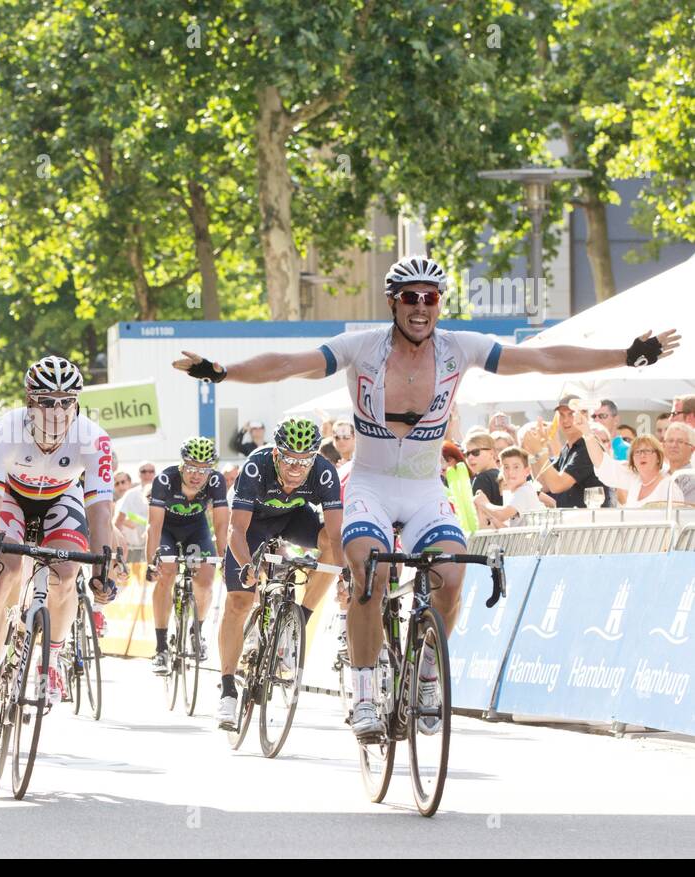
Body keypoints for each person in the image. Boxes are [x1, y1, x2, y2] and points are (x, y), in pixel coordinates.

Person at [174, 253, 680, 740]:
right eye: (411, 297)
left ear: (440, 303)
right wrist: (223, 372)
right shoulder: (361, 347)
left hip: (422, 490)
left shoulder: (460, 348)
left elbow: (542, 358)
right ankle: (367, 690)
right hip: (370, 486)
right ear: (393, 302)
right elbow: (288, 362)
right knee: (366, 571)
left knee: (452, 574)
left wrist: (625, 355)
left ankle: (429, 675)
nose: (421, 306)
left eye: (431, 297)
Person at [0, 355, 118, 727]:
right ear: (30, 401)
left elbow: (101, 511)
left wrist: (102, 570)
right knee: (6, 570)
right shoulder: (4, 431)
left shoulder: (94, 438)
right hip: (12, 498)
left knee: (67, 573)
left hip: (61, 498)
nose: (58, 410)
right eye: (47, 401)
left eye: (67, 401)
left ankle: (51, 659)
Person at [211, 417, 343, 728]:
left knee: (332, 547)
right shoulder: (256, 466)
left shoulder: (324, 471)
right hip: (253, 524)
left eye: (304, 461)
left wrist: (346, 573)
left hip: (294, 518)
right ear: (275, 455)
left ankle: (300, 619)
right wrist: (247, 568)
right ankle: (228, 690)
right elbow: (236, 529)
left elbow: (337, 536)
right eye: (288, 460)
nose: (296, 468)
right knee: (240, 601)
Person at [145, 437, 229, 673]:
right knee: (166, 575)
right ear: (182, 465)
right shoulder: (165, 479)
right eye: (192, 468)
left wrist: (224, 559)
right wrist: (152, 560)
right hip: (167, 531)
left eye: (204, 469)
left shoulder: (216, 481)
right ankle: (161, 648)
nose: (197, 475)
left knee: (204, 581)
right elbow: (154, 526)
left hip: (196, 530)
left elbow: (221, 524)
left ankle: (196, 632)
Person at [526, 397, 613, 508]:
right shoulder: (568, 448)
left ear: (584, 416)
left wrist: (539, 451)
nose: (565, 420)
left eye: (571, 414)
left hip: (588, 522)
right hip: (575, 521)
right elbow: (543, 485)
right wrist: (535, 453)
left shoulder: (587, 447)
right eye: (561, 415)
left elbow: (557, 485)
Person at [582, 427, 677, 508]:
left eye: (647, 451)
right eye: (637, 452)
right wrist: (586, 432)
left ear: (658, 457)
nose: (642, 455)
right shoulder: (634, 479)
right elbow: (603, 465)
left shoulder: (669, 485)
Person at [473, 447, 548, 528]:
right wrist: (488, 514)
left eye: (516, 467)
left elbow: (502, 515)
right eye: (506, 467)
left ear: (527, 471)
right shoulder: (512, 494)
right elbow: (509, 528)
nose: (510, 472)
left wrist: (484, 503)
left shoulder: (524, 491)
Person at [114, 462, 153, 565]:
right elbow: (119, 521)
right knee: (129, 579)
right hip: (130, 548)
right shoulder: (130, 495)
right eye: (144, 471)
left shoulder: (160, 493)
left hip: (150, 546)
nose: (147, 474)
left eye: (151, 471)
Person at [660, 421, 695, 504]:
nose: (674, 445)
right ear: (664, 445)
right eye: (670, 440)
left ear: (692, 449)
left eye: (680, 441)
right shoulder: (659, 475)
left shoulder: (693, 481)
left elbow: (684, 512)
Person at [464, 431, 502, 506]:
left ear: (491, 453)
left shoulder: (482, 479)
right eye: (467, 454)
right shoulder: (503, 475)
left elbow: (479, 515)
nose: (470, 457)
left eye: (476, 452)